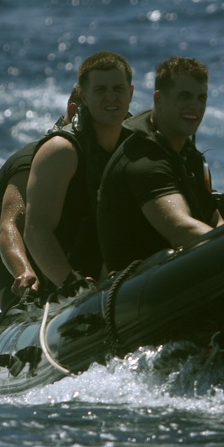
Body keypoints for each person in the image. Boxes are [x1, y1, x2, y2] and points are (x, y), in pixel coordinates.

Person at [97, 56, 224, 273]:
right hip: (139, 284)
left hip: (177, 272)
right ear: (159, 99)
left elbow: (214, 219)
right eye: (184, 96)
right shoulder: (144, 161)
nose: (195, 106)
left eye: (201, 98)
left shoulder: (186, 154)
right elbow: (181, 230)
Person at [24, 50, 135, 289]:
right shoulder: (61, 151)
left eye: (118, 89)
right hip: (67, 284)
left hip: (123, 277)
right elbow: (36, 229)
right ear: (84, 96)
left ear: (131, 93)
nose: (111, 97)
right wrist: (72, 284)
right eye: (100, 90)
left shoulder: (137, 146)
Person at [0, 86, 81, 312]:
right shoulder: (31, 162)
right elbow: (9, 228)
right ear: (74, 111)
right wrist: (23, 271)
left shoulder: (99, 158)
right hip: (29, 289)